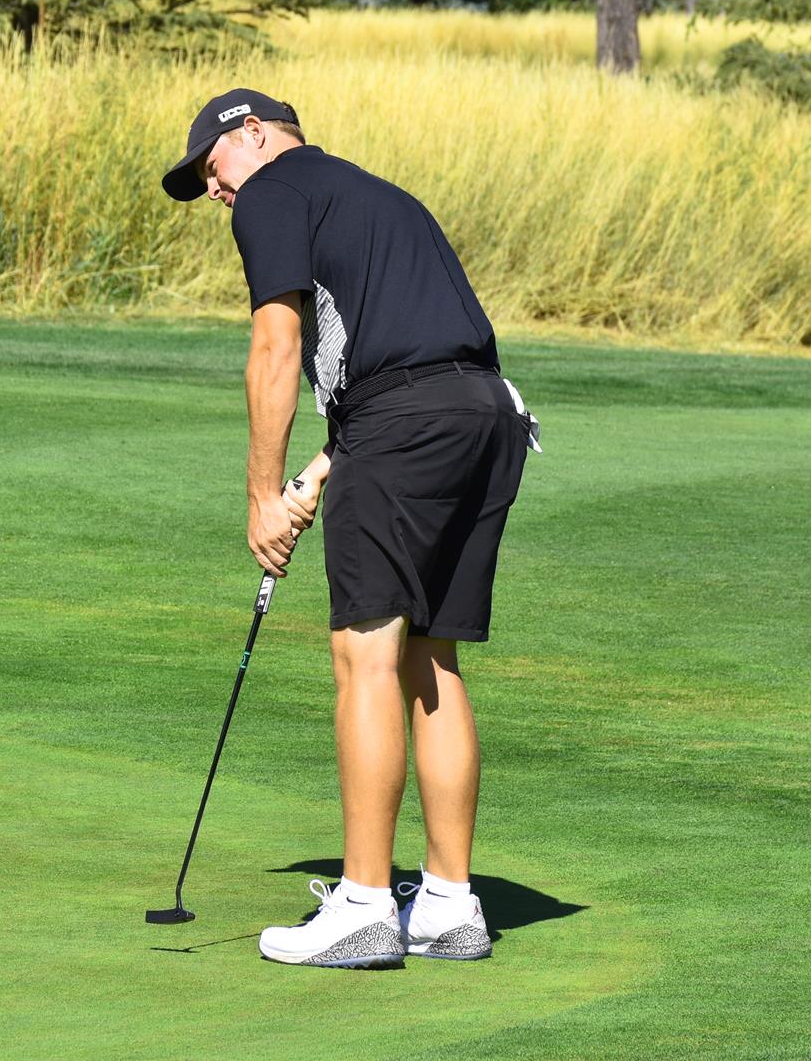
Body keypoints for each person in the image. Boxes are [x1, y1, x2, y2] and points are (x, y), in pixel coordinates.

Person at [161, 88, 537, 969]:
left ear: (252, 136)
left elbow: (277, 347)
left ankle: (365, 904)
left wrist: (261, 496)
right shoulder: (377, 194)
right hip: (486, 417)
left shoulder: (272, 192)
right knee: (429, 656)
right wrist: (320, 472)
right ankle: (448, 905)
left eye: (211, 171)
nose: (216, 193)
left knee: (364, 652)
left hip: (408, 425)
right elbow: (418, 354)